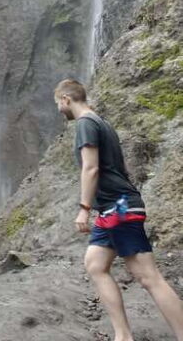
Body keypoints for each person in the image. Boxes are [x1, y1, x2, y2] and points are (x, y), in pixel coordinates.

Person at [55, 79, 183, 341]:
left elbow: (91, 168)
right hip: (112, 209)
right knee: (95, 264)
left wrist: (83, 209)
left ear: (66, 99)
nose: (58, 109)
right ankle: (123, 336)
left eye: (58, 103)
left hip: (119, 206)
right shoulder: (100, 122)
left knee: (148, 276)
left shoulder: (85, 124)